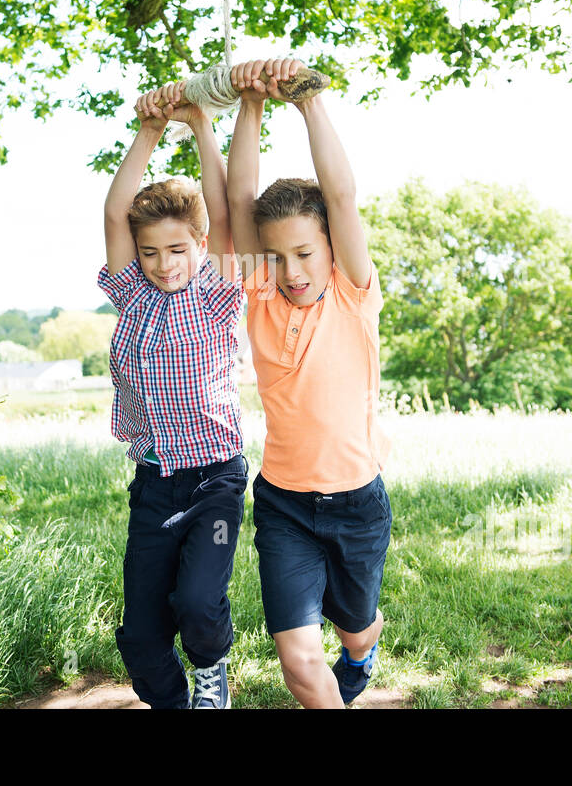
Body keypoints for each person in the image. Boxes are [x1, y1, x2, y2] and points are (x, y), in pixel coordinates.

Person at [225, 57, 392, 708]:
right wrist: (249, 103)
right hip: (284, 503)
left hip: (357, 503)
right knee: (298, 656)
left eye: (306, 252)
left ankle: (362, 652)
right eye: (278, 255)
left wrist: (307, 102)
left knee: (355, 628)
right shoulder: (261, 294)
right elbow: (240, 200)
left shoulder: (353, 295)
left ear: (331, 247)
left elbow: (342, 195)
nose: (292, 270)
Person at [97, 80, 248, 709]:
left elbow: (222, 206)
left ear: (200, 245)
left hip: (215, 478)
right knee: (140, 632)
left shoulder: (216, 293)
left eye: (177, 249)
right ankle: (175, 704)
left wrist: (203, 128)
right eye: (151, 252)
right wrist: (151, 130)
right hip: (156, 481)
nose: (164, 263)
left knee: (197, 603)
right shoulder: (132, 293)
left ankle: (211, 670)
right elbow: (113, 213)